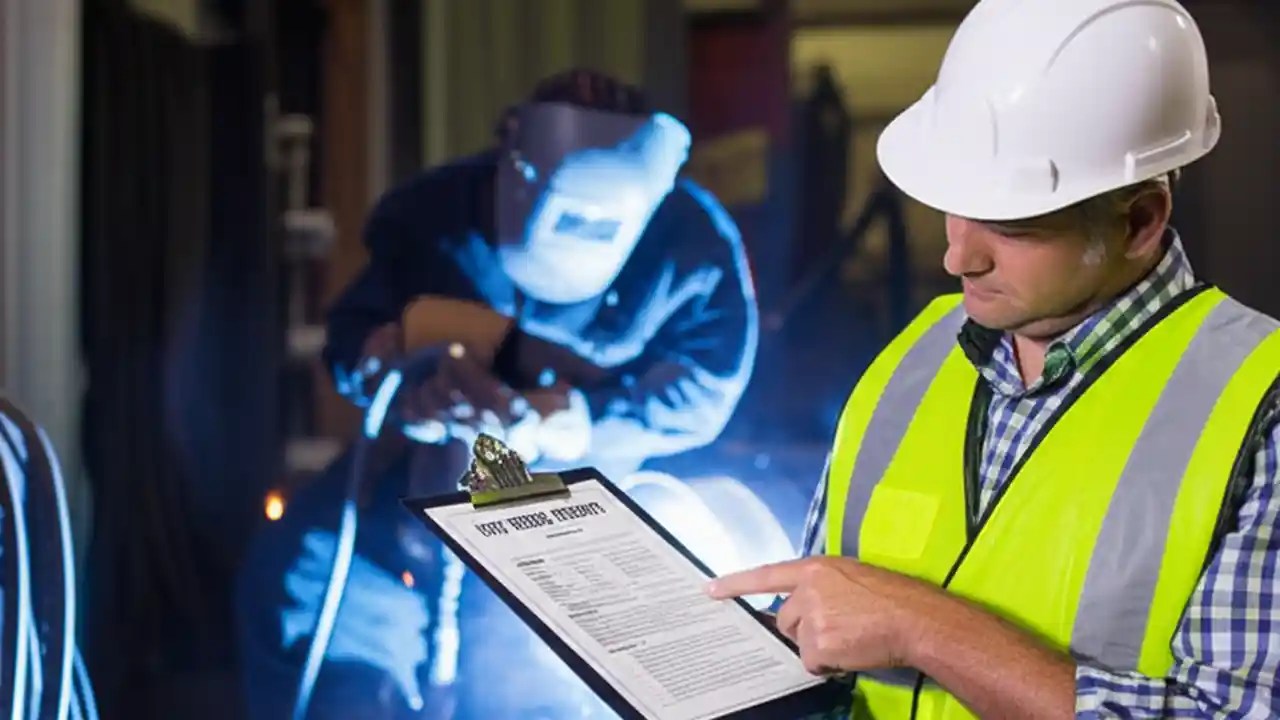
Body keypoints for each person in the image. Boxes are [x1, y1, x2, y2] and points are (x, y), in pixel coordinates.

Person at [709, 2, 1280, 718]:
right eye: (955, 207)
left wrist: (921, 628)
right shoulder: (912, 359)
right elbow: (830, 641)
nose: (957, 255)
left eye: (1011, 226)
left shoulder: (1258, 407)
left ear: (1139, 221)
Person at [236, 69, 758, 720]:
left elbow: (706, 389)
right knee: (301, 588)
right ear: (511, 154)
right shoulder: (434, 213)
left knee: (543, 695)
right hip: (398, 523)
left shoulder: (690, 245)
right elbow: (355, 337)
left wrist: (571, 421)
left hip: (564, 540)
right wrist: (402, 384)